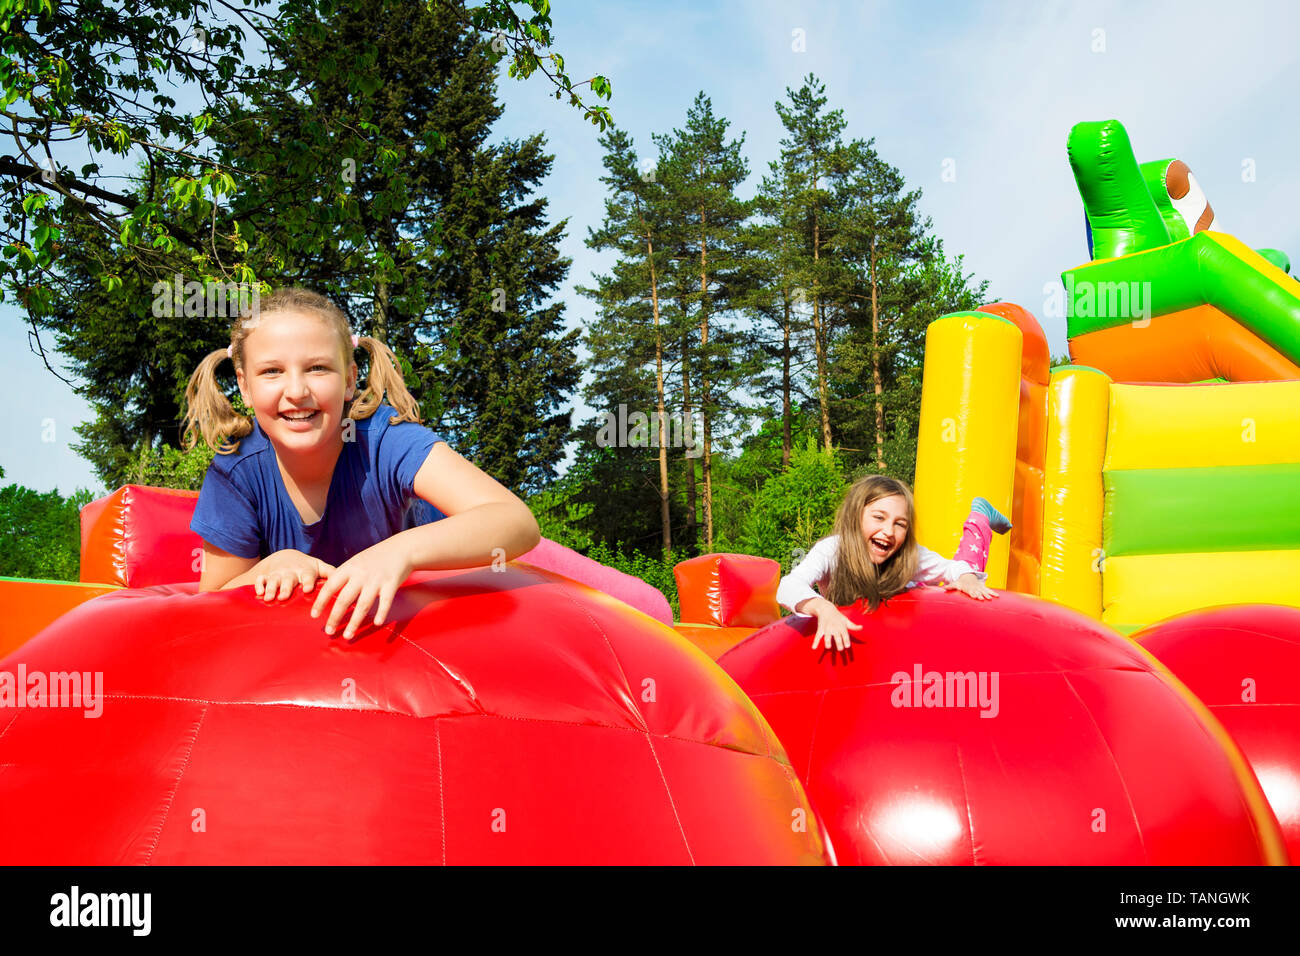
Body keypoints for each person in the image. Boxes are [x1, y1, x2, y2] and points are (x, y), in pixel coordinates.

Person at [182, 286, 540, 639]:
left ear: (350, 379)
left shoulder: (384, 440)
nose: (296, 391)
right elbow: (215, 596)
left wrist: (399, 552)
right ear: (244, 386)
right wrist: (271, 566)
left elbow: (517, 521)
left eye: (318, 368)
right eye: (272, 371)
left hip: (425, 615)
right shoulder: (237, 467)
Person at [776, 474, 1011, 654]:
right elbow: (788, 585)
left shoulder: (906, 555)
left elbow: (952, 568)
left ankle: (979, 517)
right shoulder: (833, 550)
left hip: (910, 606)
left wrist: (967, 577)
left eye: (900, 524)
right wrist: (823, 608)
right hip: (871, 629)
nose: (888, 531)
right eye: (878, 517)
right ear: (854, 516)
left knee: (968, 565)